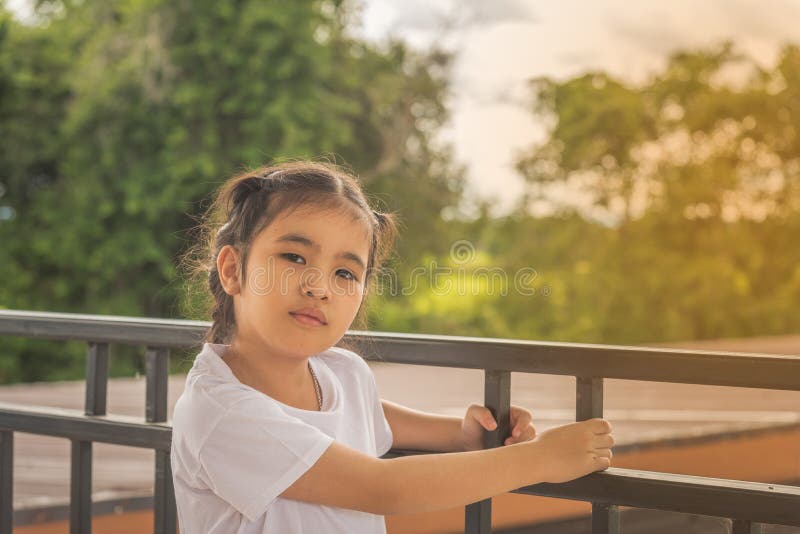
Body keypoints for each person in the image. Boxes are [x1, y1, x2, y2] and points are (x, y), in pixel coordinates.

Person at [170, 160, 614, 533]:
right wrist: (539, 460)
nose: (320, 286)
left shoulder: (340, 371)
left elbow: (367, 414)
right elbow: (382, 487)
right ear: (233, 269)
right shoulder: (220, 412)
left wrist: (460, 435)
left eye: (345, 273)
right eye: (294, 257)